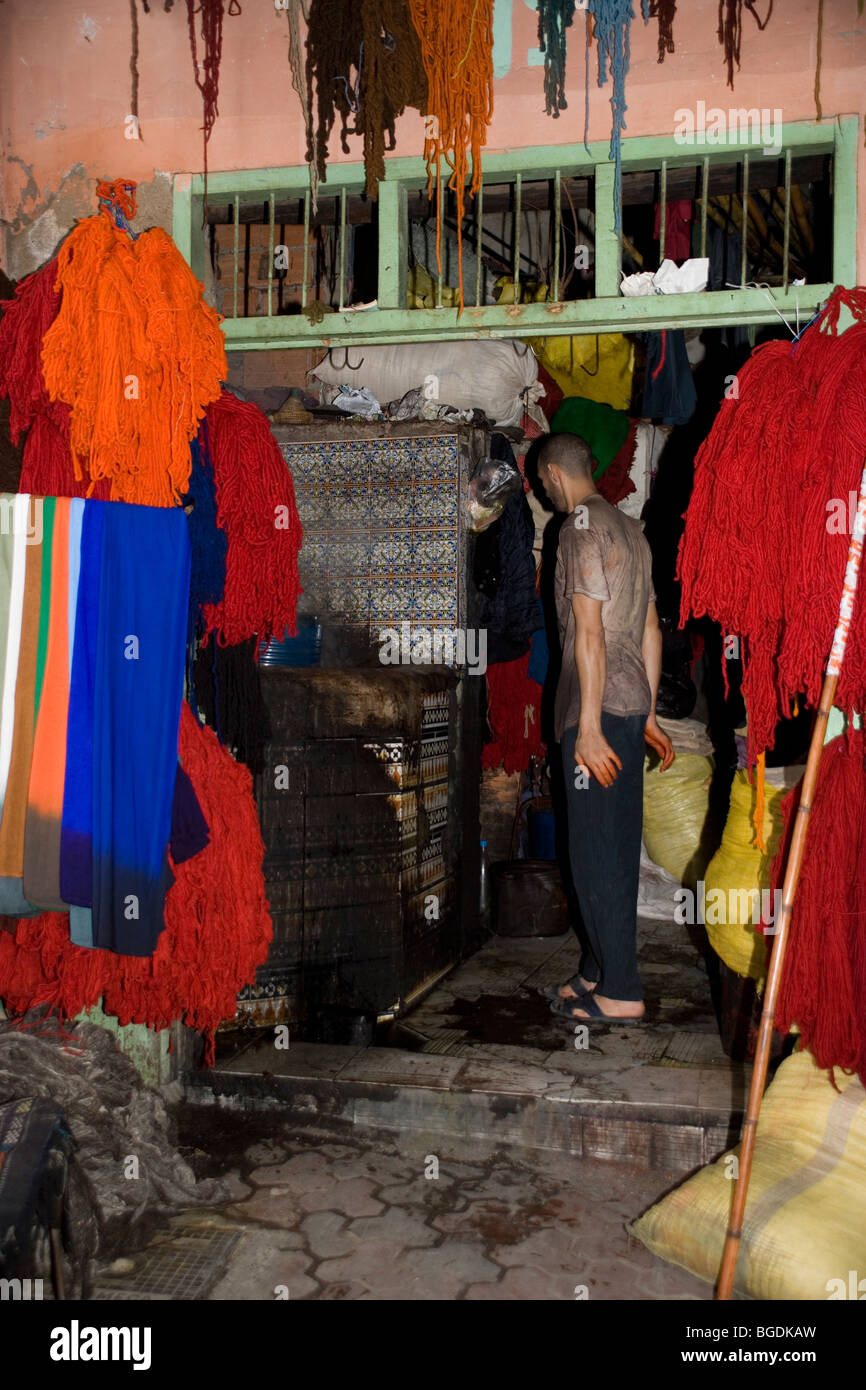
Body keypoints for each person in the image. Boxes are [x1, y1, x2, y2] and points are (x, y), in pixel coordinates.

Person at [535, 432, 674, 1024]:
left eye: (543, 484)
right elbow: (650, 630)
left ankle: (620, 989)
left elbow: (588, 631)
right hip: (626, 702)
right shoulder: (633, 531)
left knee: (597, 854)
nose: (545, 491)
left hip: (592, 711)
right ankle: (596, 967)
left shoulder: (579, 528)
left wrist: (589, 727)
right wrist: (647, 712)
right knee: (609, 842)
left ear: (552, 475)